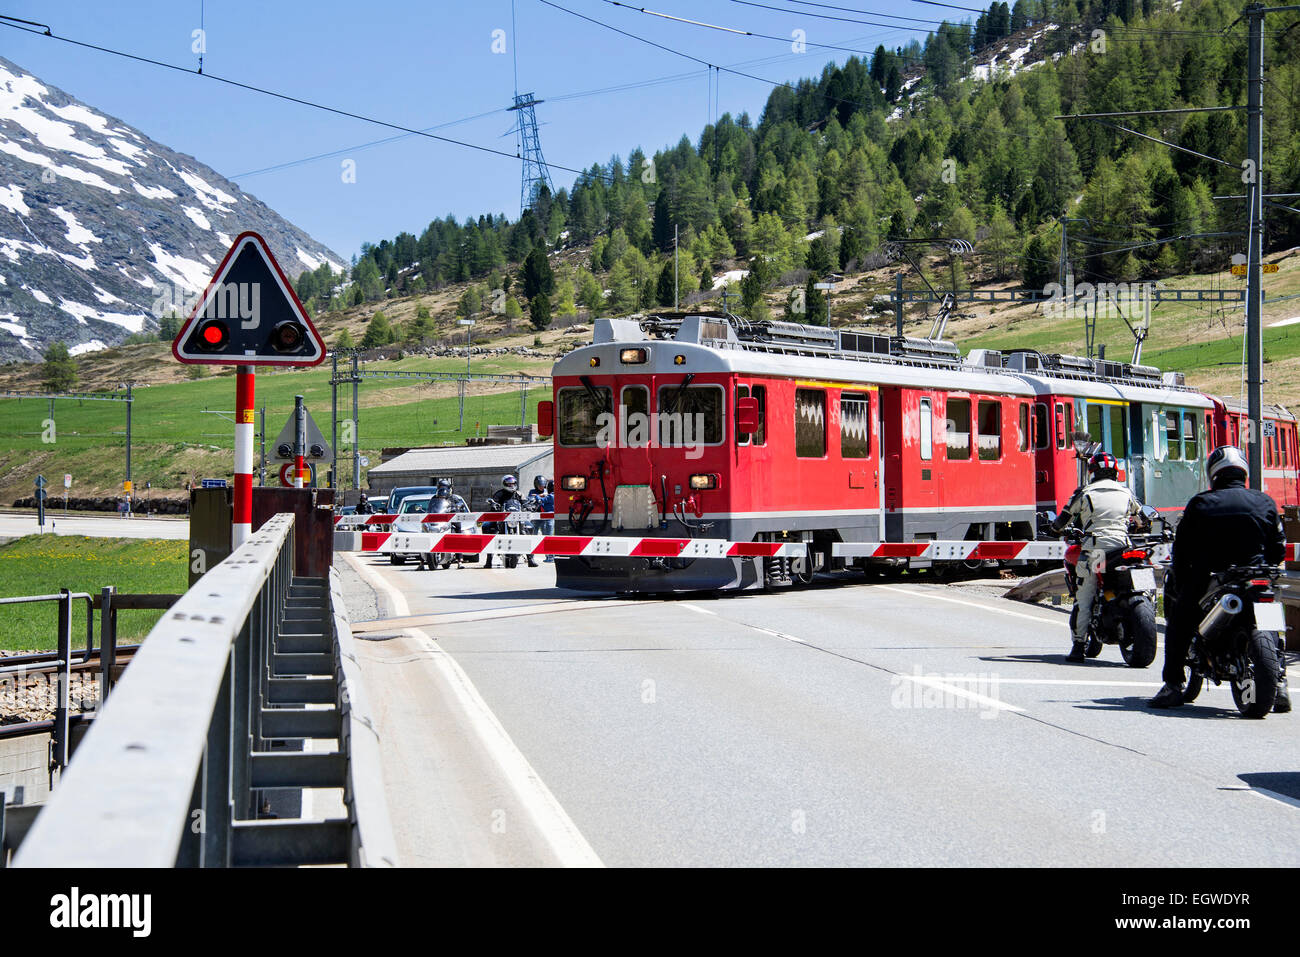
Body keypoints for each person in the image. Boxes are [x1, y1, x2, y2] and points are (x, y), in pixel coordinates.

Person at [1149, 445, 1289, 711]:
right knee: (1272, 624)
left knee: (1180, 619)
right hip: (1257, 578)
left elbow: (1182, 551)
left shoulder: (1201, 503)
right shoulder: (1265, 501)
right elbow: (1278, 547)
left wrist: (1181, 578)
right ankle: (1280, 685)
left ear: (1213, 473)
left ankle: (1173, 685)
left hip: (1212, 579)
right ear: (1244, 471)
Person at [1050, 451, 1144, 662]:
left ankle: (1078, 645)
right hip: (1123, 547)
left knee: (1084, 597)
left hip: (1096, 548)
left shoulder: (1084, 493)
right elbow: (1141, 519)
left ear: (1092, 472)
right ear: (1115, 472)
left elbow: (1062, 520)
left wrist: (1054, 528)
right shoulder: (1126, 492)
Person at [485, 475, 536, 568]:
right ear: (504, 484)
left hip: (518, 518)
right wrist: (493, 505)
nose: (511, 485)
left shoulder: (519, 494)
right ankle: (488, 560)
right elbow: (494, 501)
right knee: (488, 528)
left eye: (513, 483)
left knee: (528, 528)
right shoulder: (499, 494)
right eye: (509, 483)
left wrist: (528, 505)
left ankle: (530, 559)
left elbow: (524, 502)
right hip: (502, 518)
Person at [527, 475, 556, 562]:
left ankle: (549, 556)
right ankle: (530, 557)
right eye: (540, 485)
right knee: (533, 536)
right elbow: (530, 498)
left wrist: (540, 495)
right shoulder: (532, 491)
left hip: (546, 516)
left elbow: (546, 498)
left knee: (547, 536)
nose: (542, 487)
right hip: (536, 516)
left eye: (543, 485)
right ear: (536, 485)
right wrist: (541, 495)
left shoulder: (548, 492)